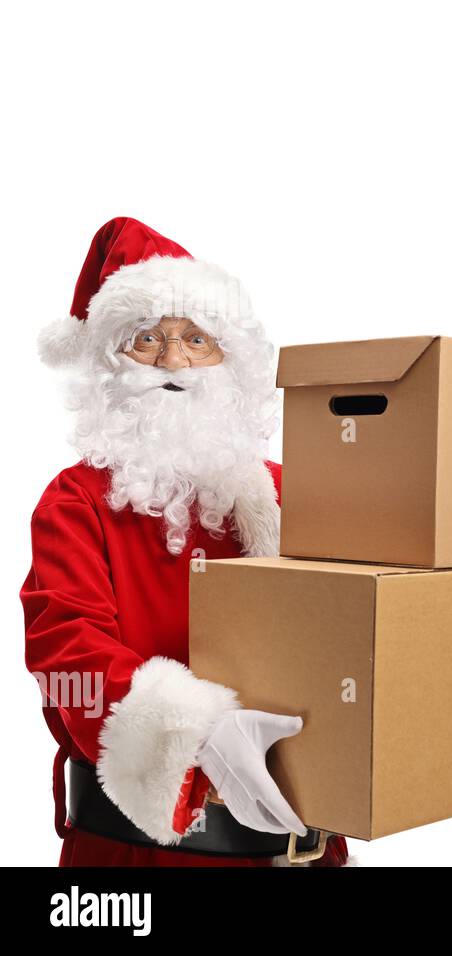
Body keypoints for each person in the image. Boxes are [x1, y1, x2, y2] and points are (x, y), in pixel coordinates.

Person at [21, 217, 347, 866]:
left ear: (232, 362)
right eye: (147, 339)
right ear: (108, 364)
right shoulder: (75, 501)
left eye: (197, 339)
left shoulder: (293, 494)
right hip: (139, 859)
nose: (174, 362)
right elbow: (66, 651)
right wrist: (199, 734)